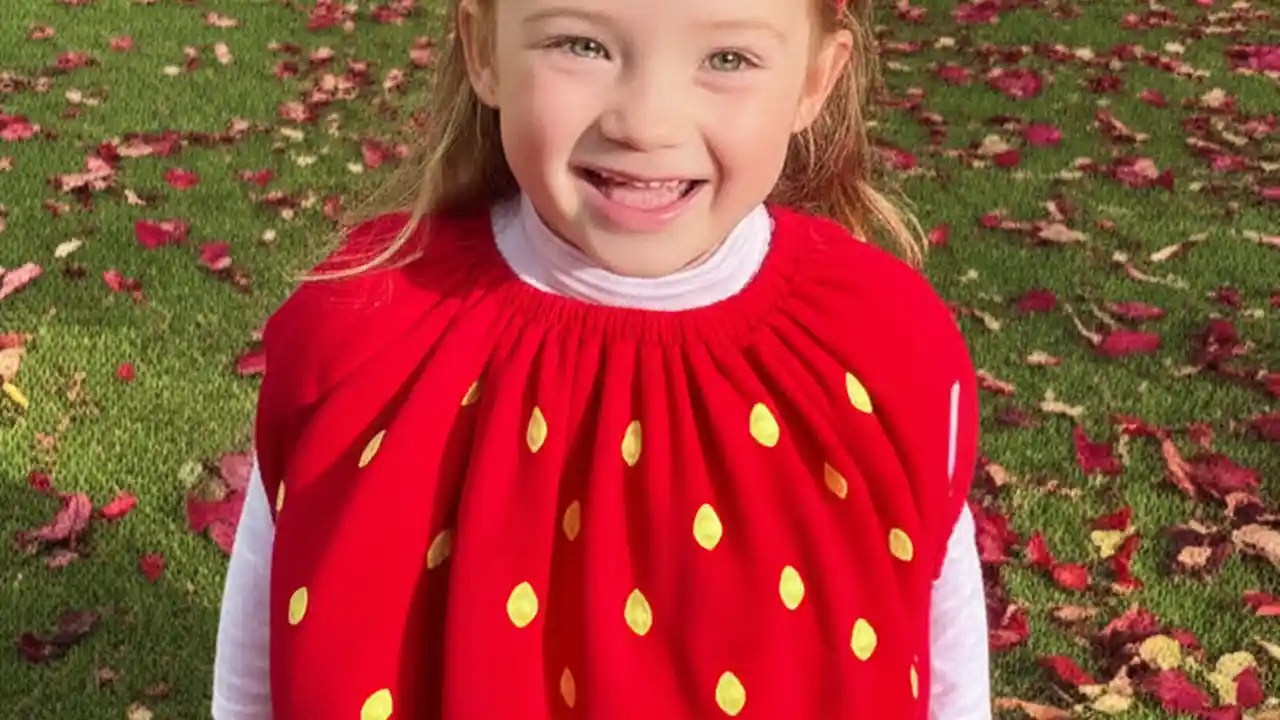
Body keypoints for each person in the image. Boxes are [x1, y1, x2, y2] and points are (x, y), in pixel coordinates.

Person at [212, 0, 992, 716]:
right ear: (483, 48)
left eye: (727, 59)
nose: (647, 123)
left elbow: (940, 638)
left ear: (815, 79)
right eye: (581, 45)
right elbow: (265, 641)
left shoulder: (881, 350)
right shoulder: (365, 334)